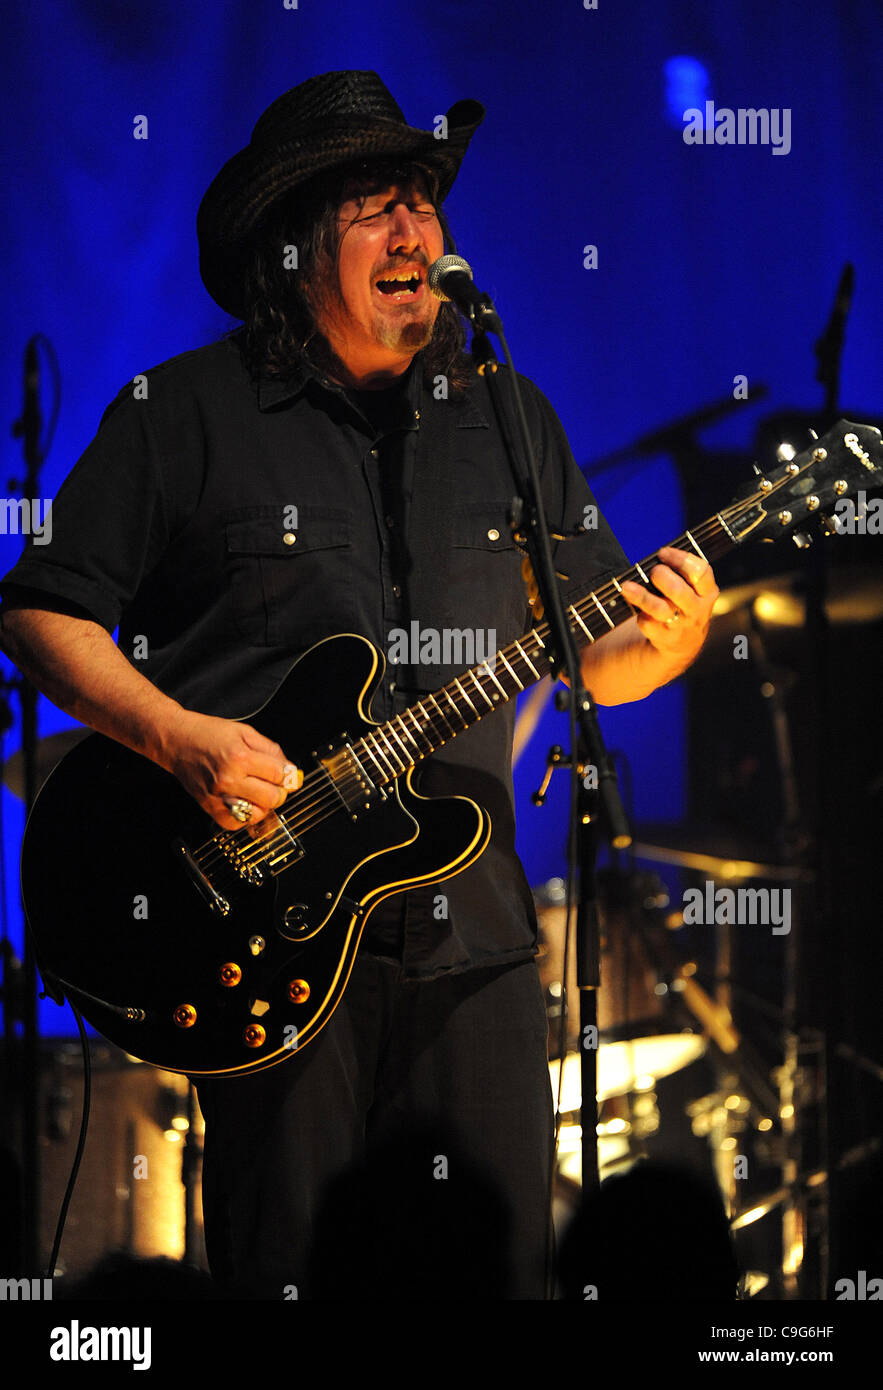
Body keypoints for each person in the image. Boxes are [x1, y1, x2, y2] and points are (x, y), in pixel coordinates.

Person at [0, 70, 719, 1298]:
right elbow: (40, 608)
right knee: (292, 1270)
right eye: (375, 209)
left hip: (477, 943)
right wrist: (179, 739)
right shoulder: (184, 413)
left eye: (423, 205)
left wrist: (679, 634)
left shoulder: (505, 412)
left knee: (492, 1274)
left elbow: (598, 646)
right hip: (259, 932)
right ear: (294, 250)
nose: (415, 234)